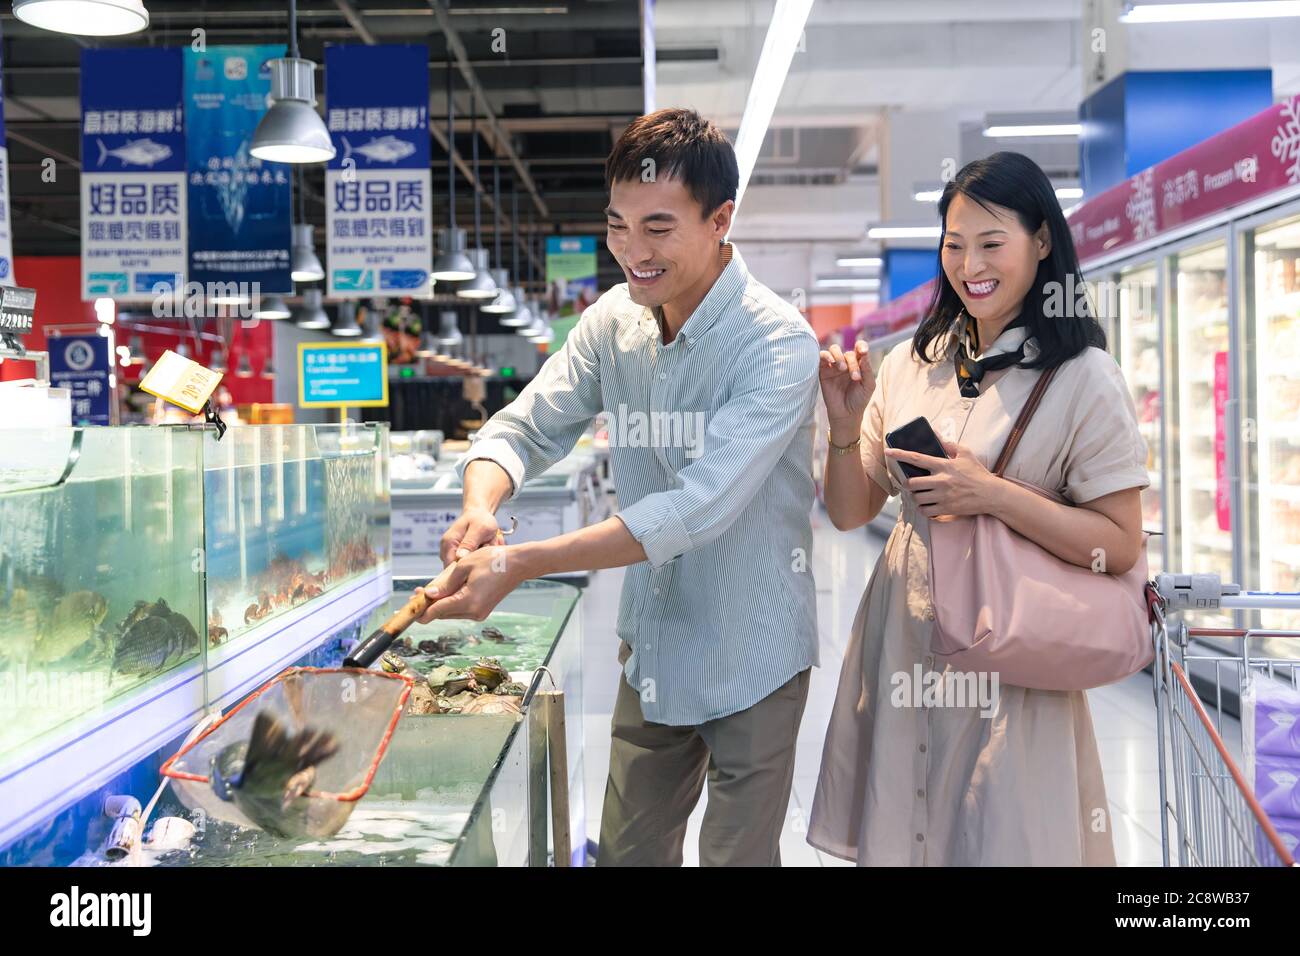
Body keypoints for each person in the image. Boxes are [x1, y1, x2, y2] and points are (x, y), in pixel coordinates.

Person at [419, 108, 822, 866]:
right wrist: (480, 507)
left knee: (738, 857)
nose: (633, 252)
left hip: (754, 650)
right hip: (658, 644)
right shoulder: (613, 321)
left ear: (720, 219)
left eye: (659, 228)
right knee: (628, 855)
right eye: (617, 226)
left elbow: (694, 508)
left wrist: (518, 562)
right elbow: (524, 427)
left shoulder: (777, 342)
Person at [807, 151, 1149, 866]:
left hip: (1014, 647)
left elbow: (1116, 545)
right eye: (954, 245)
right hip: (906, 636)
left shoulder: (1085, 378)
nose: (971, 265)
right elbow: (849, 511)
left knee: (1005, 835)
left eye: (992, 243)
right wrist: (844, 427)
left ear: (1043, 241)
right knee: (907, 832)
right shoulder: (910, 366)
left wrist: (991, 495)